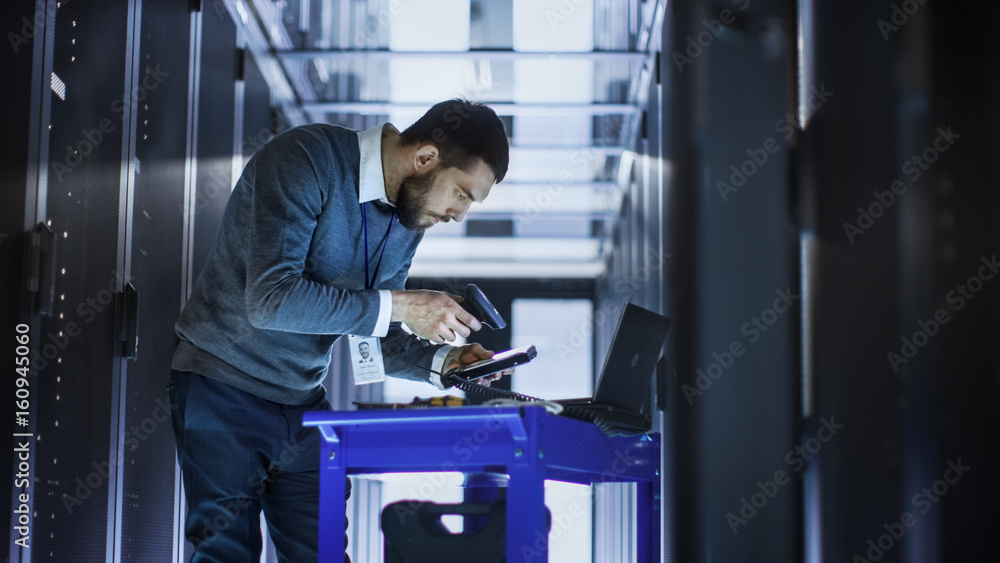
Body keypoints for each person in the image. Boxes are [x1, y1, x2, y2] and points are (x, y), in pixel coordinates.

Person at [168, 98, 510, 562]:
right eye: (463, 194)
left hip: (302, 402)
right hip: (223, 384)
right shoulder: (305, 159)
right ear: (426, 158)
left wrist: (444, 364)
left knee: (325, 555)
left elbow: (377, 337)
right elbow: (271, 300)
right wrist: (403, 304)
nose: (457, 214)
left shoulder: (408, 217)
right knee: (228, 554)